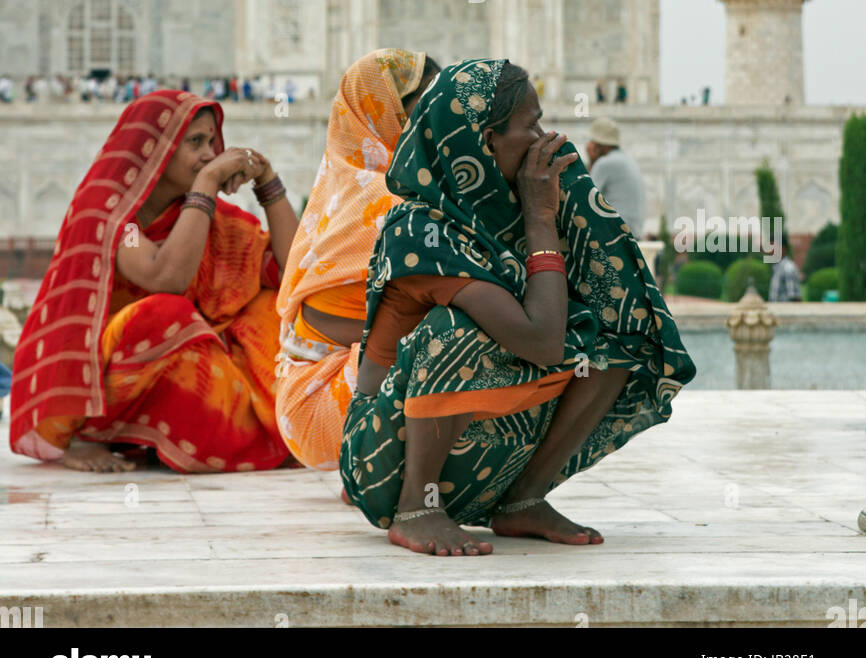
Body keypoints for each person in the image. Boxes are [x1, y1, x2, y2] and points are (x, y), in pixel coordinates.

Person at [340, 60, 695, 557]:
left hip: (482, 457)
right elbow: (540, 340)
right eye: (530, 125)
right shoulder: (419, 229)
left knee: (616, 341)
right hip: (382, 458)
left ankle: (523, 499)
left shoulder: (494, 215)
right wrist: (540, 217)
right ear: (486, 142)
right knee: (458, 329)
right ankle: (416, 510)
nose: (544, 137)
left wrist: (562, 208)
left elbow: (603, 300)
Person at [10, 89, 300, 474]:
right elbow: (167, 277)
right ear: (154, 151)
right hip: (94, 387)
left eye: (212, 141)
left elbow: (294, 271)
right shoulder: (113, 217)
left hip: (171, 377)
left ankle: (239, 431)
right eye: (195, 142)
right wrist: (207, 184)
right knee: (166, 313)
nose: (210, 154)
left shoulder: (200, 215)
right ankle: (89, 435)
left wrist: (268, 182)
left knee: (272, 307)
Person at [274, 49, 440, 468]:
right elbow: (326, 321)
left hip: (327, 390)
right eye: (428, 108)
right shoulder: (381, 201)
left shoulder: (354, 184)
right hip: (321, 402)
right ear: (388, 113)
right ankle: (394, 489)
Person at [584, 116, 645, 238]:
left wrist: (591, 161)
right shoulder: (626, 160)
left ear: (599, 145)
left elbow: (585, 198)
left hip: (616, 234)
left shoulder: (605, 163)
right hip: (632, 231)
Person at [768, 236, 802, 302]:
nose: (770, 251)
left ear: (783, 248)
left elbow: (795, 298)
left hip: (786, 312)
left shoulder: (788, 268)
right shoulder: (777, 268)